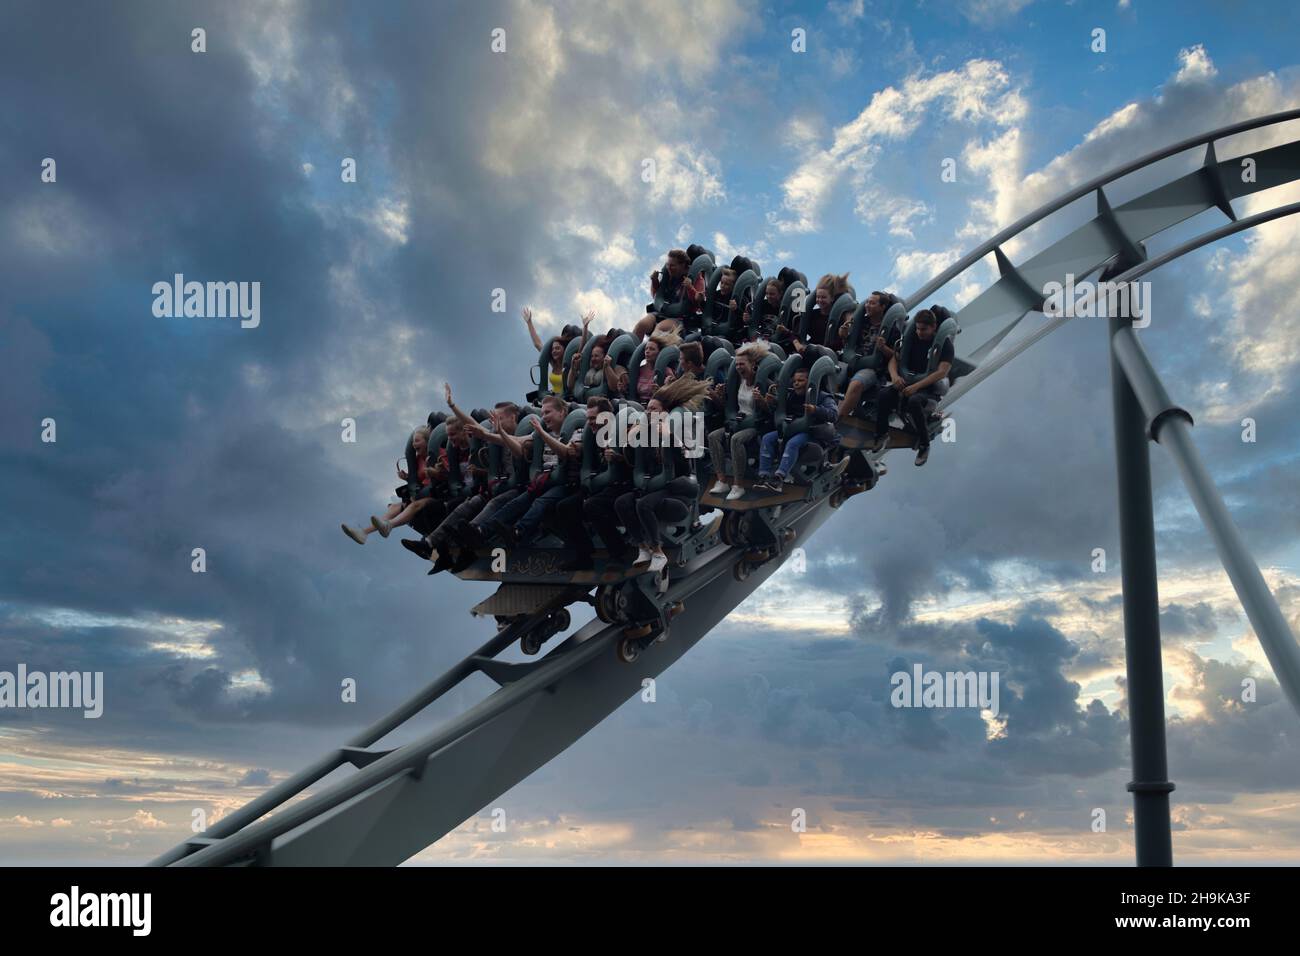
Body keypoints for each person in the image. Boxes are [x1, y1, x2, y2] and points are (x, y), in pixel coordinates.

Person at [615, 376, 709, 573]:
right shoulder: (645, 434)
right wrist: (630, 437)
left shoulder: (673, 433)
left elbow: (685, 462)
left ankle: (658, 551)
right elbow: (634, 461)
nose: (649, 412)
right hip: (653, 487)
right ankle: (642, 547)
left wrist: (669, 437)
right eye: (647, 409)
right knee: (622, 502)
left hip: (675, 491)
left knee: (644, 504)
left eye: (654, 409)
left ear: (664, 413)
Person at [552, 396, 629, 571]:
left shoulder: (622, 431)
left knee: (592, 505)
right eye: (588, 419)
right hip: (601, 485)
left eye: (593, 419)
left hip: (622, 484)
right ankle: (584, 555)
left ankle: (617, 553)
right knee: (565, 507)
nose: (590, 423)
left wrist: (620, 457)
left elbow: (636, 461)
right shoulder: (593, 435)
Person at [871, 308, 953, 466]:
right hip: (906, 380)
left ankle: (924, 444)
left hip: (928, 388)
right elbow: (895, 360)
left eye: (924, 329)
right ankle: (881, 434)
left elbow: (942, 372)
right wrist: (895, 377)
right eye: (917, 328)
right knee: (884, 395)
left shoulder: (945, 345)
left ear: (934, 327)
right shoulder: (911, 338)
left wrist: (916, 386)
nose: (919, 332)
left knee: (914, 402)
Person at [342, 424, 435, 545]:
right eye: (413, 442)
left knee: (414, 505)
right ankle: (364, 533)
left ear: (427, 441)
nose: (414, 444)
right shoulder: (418, 459)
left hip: (433, 494)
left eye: (417, 441)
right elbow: (419, 480)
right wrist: (407, 478)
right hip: (421, 492)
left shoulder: (435, 454)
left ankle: (389, 526)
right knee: (394, 507)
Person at [753, 367, 838, 493]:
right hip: (790, 429)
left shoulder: (822, 396)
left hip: (811, 432)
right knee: (767, 438)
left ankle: (779, 479)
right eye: (795, 381)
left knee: (793, 443)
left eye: (801, 380)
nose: (796, 383)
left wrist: (815, 410)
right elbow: (781, 411)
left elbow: (833, 414)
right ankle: (763, 476)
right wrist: (772, 402)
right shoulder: (792, 395)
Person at [706, 342, 774, 500]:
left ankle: (738, 485)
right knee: (713, 437)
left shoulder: (765, 384)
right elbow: (727, 407)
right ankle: (722, 480)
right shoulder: (738, 382)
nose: (738, 367)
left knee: (736, 440)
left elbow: (772, 412)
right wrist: (718, 396)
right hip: (738, 421)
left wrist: (762, 401)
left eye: (742, 364)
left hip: (755, 425)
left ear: (753, 365)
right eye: (736, 364)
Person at [837, 291, 897, 418]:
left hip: (872, 369)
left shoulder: (892, 330)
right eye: (868, 302)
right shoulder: (860, 322)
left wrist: (883, 347)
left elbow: (895, 356)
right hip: (850, 361)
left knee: (856, 384)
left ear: (882, 307)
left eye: (872, 303)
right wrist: (843, 332)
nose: (867, 305)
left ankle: (837, 420)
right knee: (832, 375)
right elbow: (847, 342)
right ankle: (827, 411)